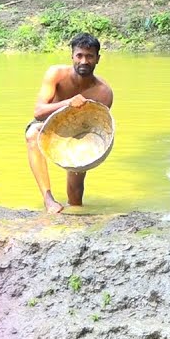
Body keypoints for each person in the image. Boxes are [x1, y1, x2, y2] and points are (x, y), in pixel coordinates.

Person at [26, 33, 114, 214]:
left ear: (98, 59)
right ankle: (48, 200)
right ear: (72, 56)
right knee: (31, 134)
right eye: (79, 55)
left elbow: (99, 127)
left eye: (89, 56)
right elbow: (38, 111)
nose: (84, 61)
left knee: (76, 195)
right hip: (48, 125)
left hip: (78, 132)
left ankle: (75, 212)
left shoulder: (104, 93)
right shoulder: (56, 74)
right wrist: (67, 103)